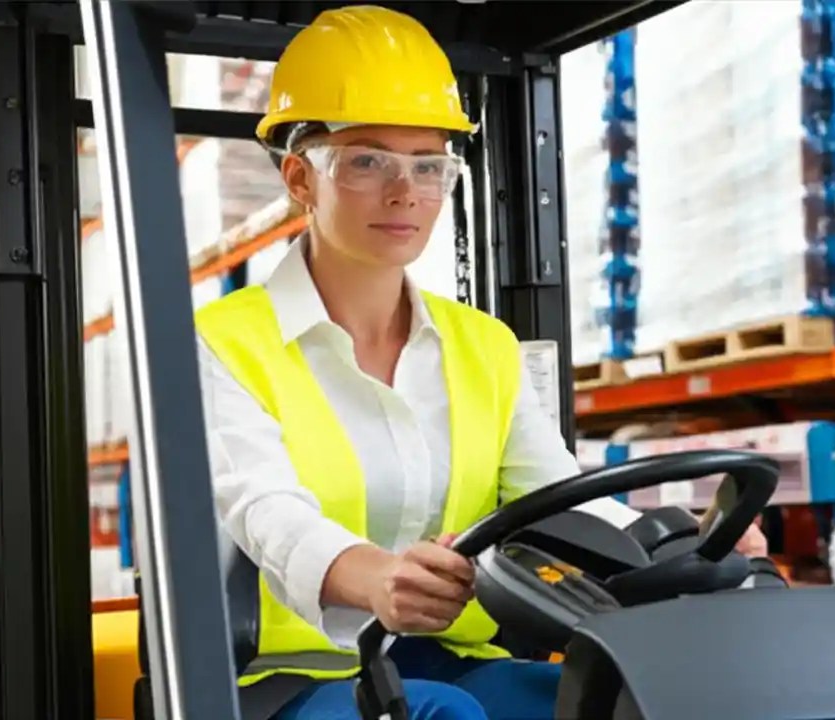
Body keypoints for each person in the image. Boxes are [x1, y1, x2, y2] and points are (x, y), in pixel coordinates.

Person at [195, 5, 767, 719]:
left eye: (429, 166)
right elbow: (270, 515)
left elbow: (560, 497)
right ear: (300, 179)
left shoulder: (482, 345)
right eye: (367, 160)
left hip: (453, 657)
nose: (404, 191)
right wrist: (377, 580)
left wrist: (683, 538)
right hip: (283, 677)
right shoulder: (221, 341)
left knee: (622, 699)